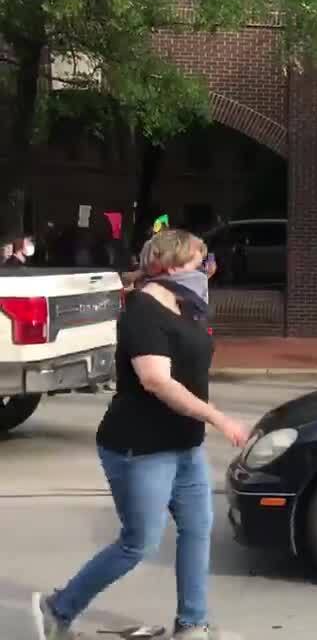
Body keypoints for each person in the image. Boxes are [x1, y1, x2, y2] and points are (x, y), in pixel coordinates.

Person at [31, 229, 250, 640]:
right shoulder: (142, 311)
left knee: (197, 528)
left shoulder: (187, 306)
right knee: (139, 543)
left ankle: (192, 623)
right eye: (196, 262)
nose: (204, 270)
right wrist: (219, 418)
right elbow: (156, 380)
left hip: (184, 444)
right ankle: (59, 608)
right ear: (168, 266)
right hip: (140, 447)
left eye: (205, 263)